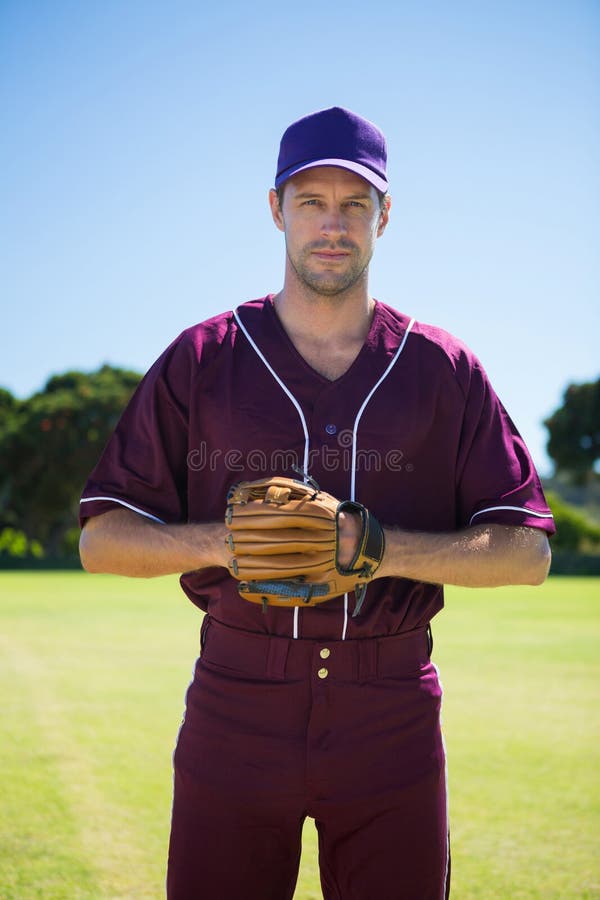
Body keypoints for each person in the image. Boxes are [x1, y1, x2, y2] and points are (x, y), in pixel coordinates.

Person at [79, 106, 555, 900]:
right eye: (311, 202)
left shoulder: (442, 367)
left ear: (385, 216)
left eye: (354, 205)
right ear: (276, 209)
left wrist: (376, 548)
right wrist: (225, 544)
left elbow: (529, 552)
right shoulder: (204, 357)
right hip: (236, 699)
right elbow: (102, 539)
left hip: (390, 709)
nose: (332, 226)